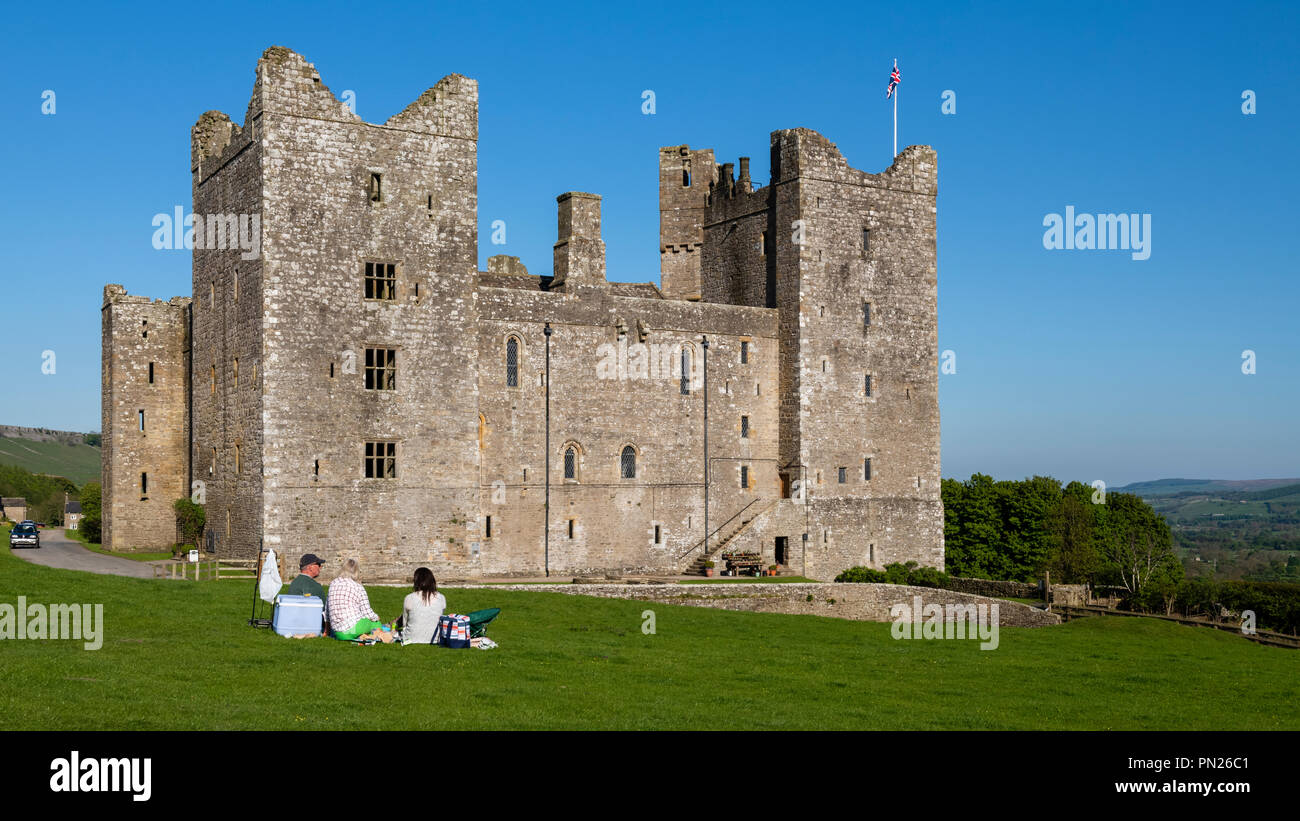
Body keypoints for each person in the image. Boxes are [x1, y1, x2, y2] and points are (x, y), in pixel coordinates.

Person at [327, 558, 393, 642]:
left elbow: (328, 611)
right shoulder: (357, 587)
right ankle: (377, 634)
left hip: (338, 633)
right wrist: (376, 617)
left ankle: (363, 635)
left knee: (363, 622)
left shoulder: (333, 584)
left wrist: (327, 630)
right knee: (375, 623)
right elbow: (367, 612)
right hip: (352, 628)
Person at [398, 568, 446, 645]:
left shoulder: (409, 597)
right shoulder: (441, 597)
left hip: (411, 638)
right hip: (435, 639)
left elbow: (405, 623)